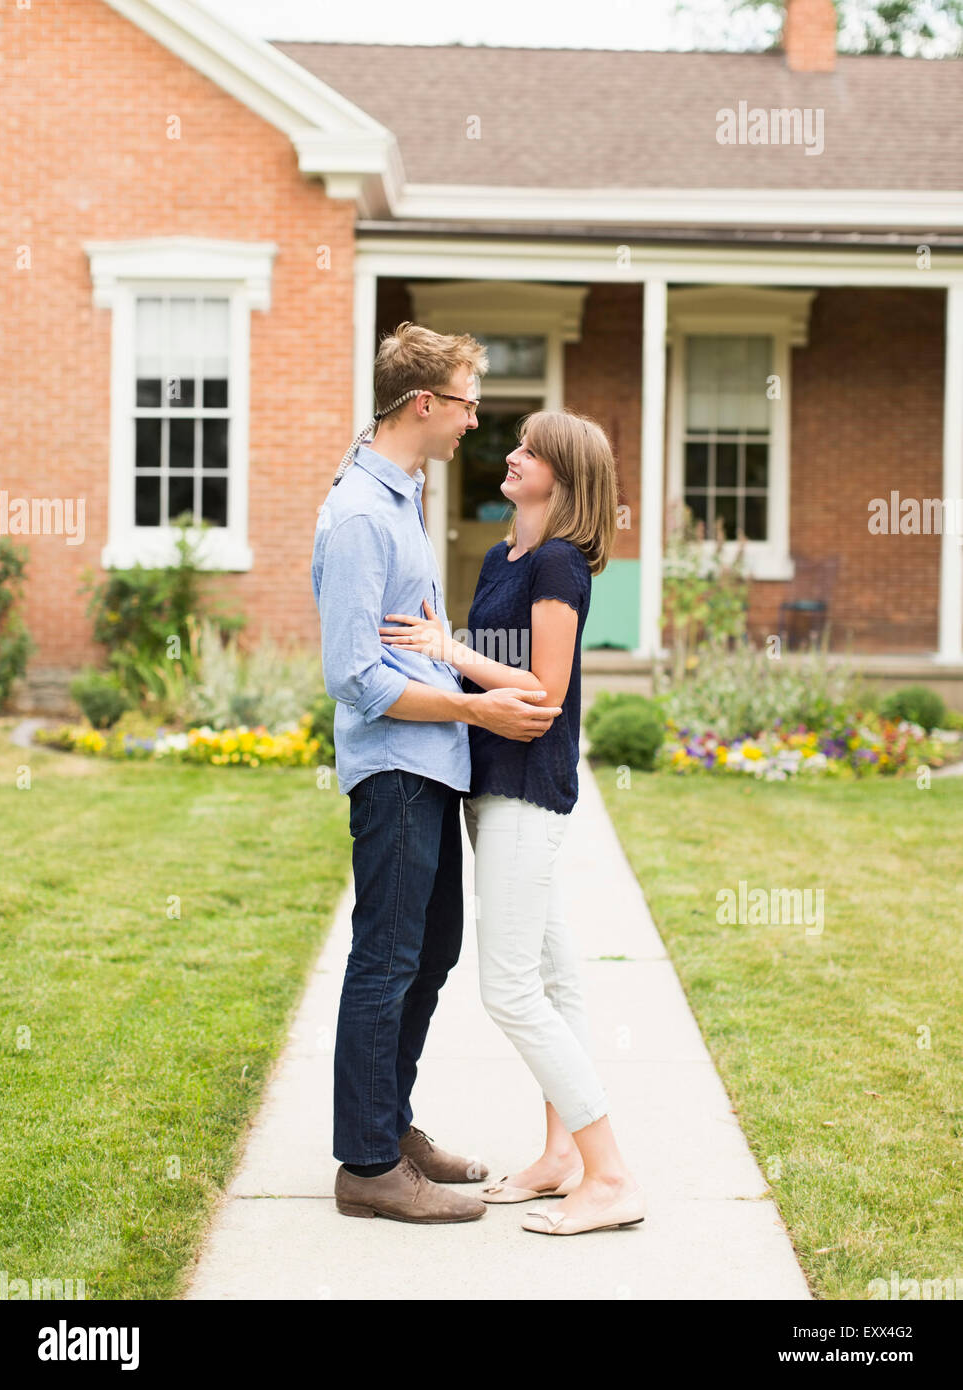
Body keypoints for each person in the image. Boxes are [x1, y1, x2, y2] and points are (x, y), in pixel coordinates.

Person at [311, 322, 562, 1224]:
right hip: (396, 771)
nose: (473, 420)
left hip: (431, 766)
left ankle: (389, 1122)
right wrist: (476, 706)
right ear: (424, 404)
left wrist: (464, 674)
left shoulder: (402, 496)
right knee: (386, 957)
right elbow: (354, 676)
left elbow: (410, 646)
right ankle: (369, 1165)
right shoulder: (358, 516)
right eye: (464, 402)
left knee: (433, 949)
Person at [378, 409, 647, 1236]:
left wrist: (448, 651)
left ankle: (609, 1176)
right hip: (489, 784)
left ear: (560, 476)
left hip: (527, 789)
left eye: (529, 450)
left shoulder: (560, 564)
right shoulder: (504, 555)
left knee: (509, 987)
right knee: (556, 976)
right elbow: (492, 674)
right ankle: (560, 1158)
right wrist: (447, 653)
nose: (511, 453)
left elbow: (543, 690)